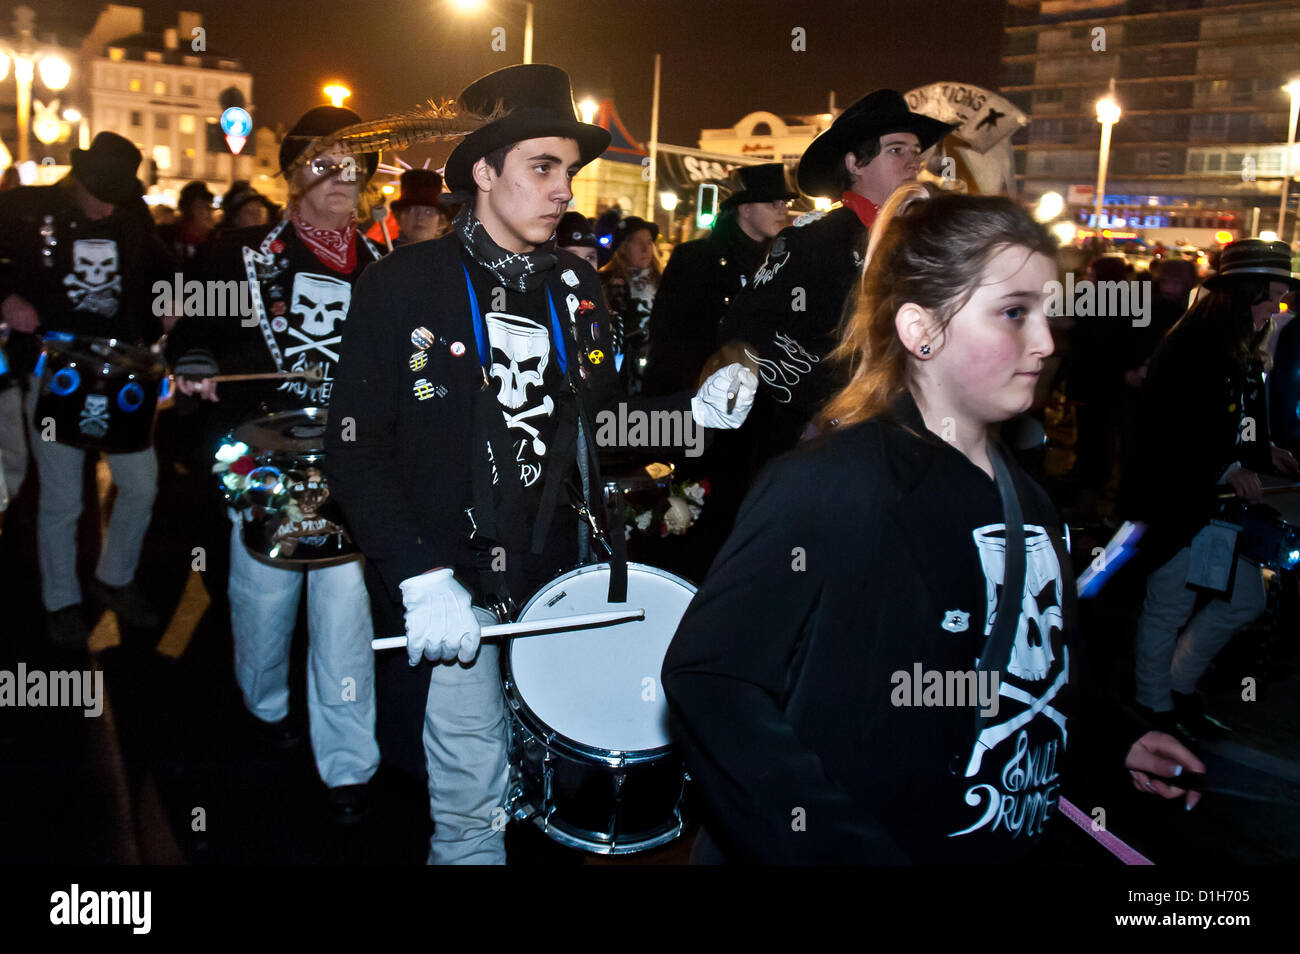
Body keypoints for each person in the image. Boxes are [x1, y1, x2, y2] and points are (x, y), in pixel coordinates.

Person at [661, 184, 1204, 864]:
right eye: (1014, 313)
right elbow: (714, 679)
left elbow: (1025, 671)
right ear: (921, 329)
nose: (1045, 341)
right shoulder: (832, 484)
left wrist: (1112, 738)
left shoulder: (1027, 498)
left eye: (1047, 312)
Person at [323, 63, 757, 864]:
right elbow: (355, 449)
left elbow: (597, 430)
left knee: (565, 796)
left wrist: (691, 417)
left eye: (569, 170)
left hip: (561, 577)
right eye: (542, 167)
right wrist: (418, 578)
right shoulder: (400, 287)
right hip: (454, 585)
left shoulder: (576, 284)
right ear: (485, 173)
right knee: (471, 804)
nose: (563, 189)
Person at [170, 105, 385, 821]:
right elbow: (192, 332)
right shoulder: (239, 253)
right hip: (264, 463)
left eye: (352, 168)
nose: (340, 181)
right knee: (262, 610)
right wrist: (194, 361)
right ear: (294, 173)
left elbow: (408, 366)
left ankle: (348, 764)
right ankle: (265, 712)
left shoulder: (385, 269)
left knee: (345, 615)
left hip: (347, 467)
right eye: (325, 165)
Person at [715, 89, 955, 486]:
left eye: (916, 149)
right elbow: (745, 330)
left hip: (919, 440)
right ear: (854, 163)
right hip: (832, 448)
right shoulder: (812, 241)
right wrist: (830, 406)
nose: (915, 159)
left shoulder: (930, 241)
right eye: (896, 150)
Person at [0, 132, 174, 648]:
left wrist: (172, 300)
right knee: (60, 497)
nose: (105, 203)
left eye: (114, 193)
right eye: (99, 190)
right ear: (78, 176)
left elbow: (168, 270)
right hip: (56, 369)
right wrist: (6, 296)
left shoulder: (133, 212)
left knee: (141, 485)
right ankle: (62, 603)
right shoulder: (26, 208)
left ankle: (114, 577)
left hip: (123, 370)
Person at [1125, 239, 1300, 739]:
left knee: (1245, 600)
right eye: (1271, 296)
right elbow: (1172, 428)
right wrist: (1225, 469)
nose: (1277, 307)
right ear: (1243, 293)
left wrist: (1265, 453)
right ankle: (1153, 704)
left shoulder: (1242, 345)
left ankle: (1176, 688)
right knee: (1170, 604)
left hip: (1219, 510)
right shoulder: (1192, 345)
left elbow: (1240, 420)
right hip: (1179, 503)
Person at [643, 162, 795, 397]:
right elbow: (667, 336)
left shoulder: (781, 263)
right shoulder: (696, 257)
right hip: (702, 399)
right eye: (772, 203)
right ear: (745, 209)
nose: (783, 210)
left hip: (761, 404)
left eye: (785, 203)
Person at [598, 215, 662, 393]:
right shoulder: (608, 282)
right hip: (623, 369)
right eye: (638, 242)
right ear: (623, 247)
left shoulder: (664, 280)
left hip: (656, 368)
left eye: (649, 242)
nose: (645, 248)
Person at [389, 168, 457, 246]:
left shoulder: (456, 256)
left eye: (428, 211)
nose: (419, 217)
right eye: (411, 210)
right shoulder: (382, 256)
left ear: (441, 220)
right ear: (399, 217)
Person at [158, 180, 217, 265]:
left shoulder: (214, 240)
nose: (205, 212)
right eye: (198, 206)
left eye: (207, 206)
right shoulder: (166, 236)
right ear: (187, 208)